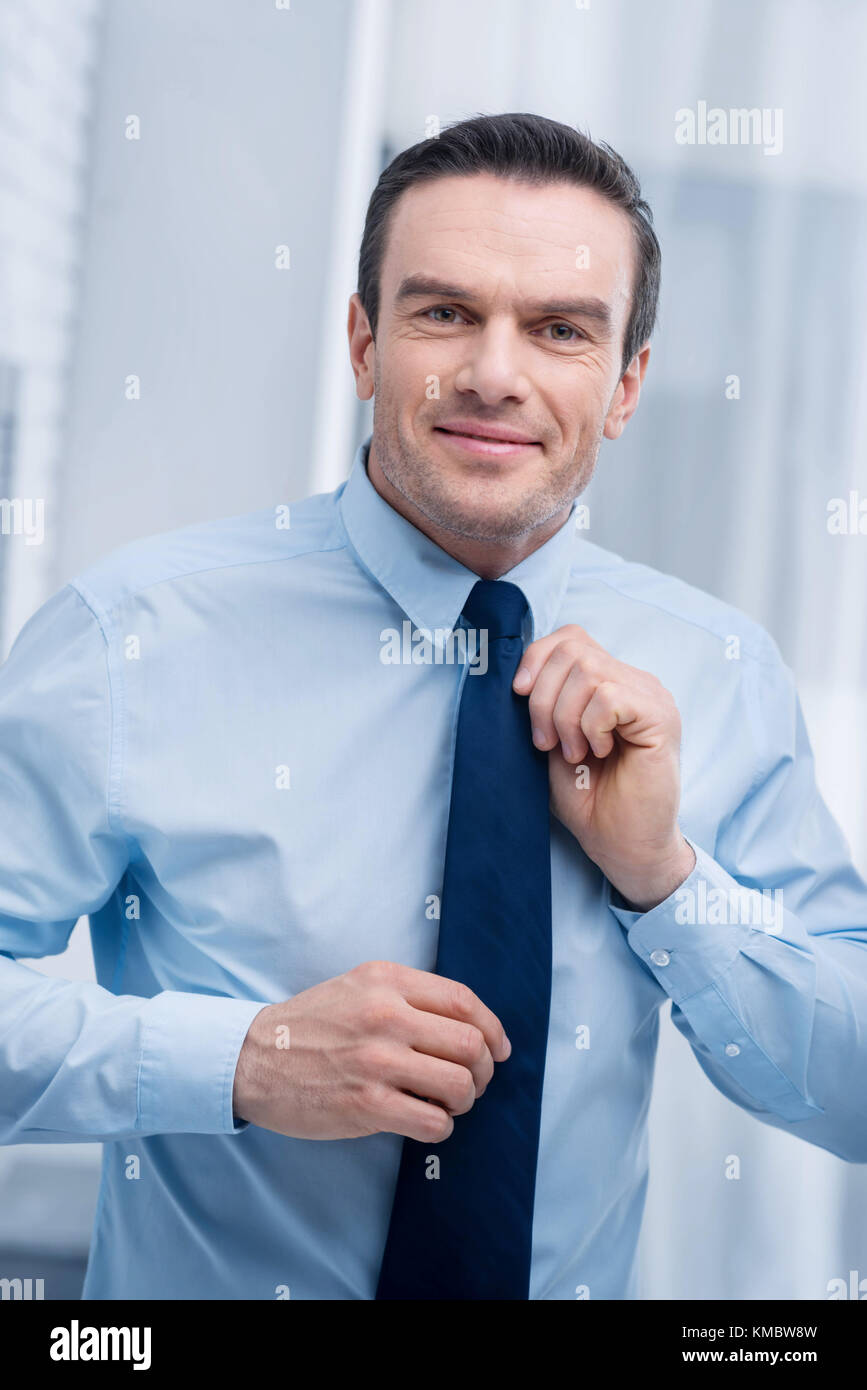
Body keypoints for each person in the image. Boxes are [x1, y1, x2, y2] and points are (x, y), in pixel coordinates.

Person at [1, 112, 866, 1302]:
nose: (495, 374)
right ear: (364, 343)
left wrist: (665, 879)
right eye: (446, 312)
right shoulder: (130, 636)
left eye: (560, 329)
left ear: (625, 385)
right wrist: (240, 1059)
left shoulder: (720, 671)